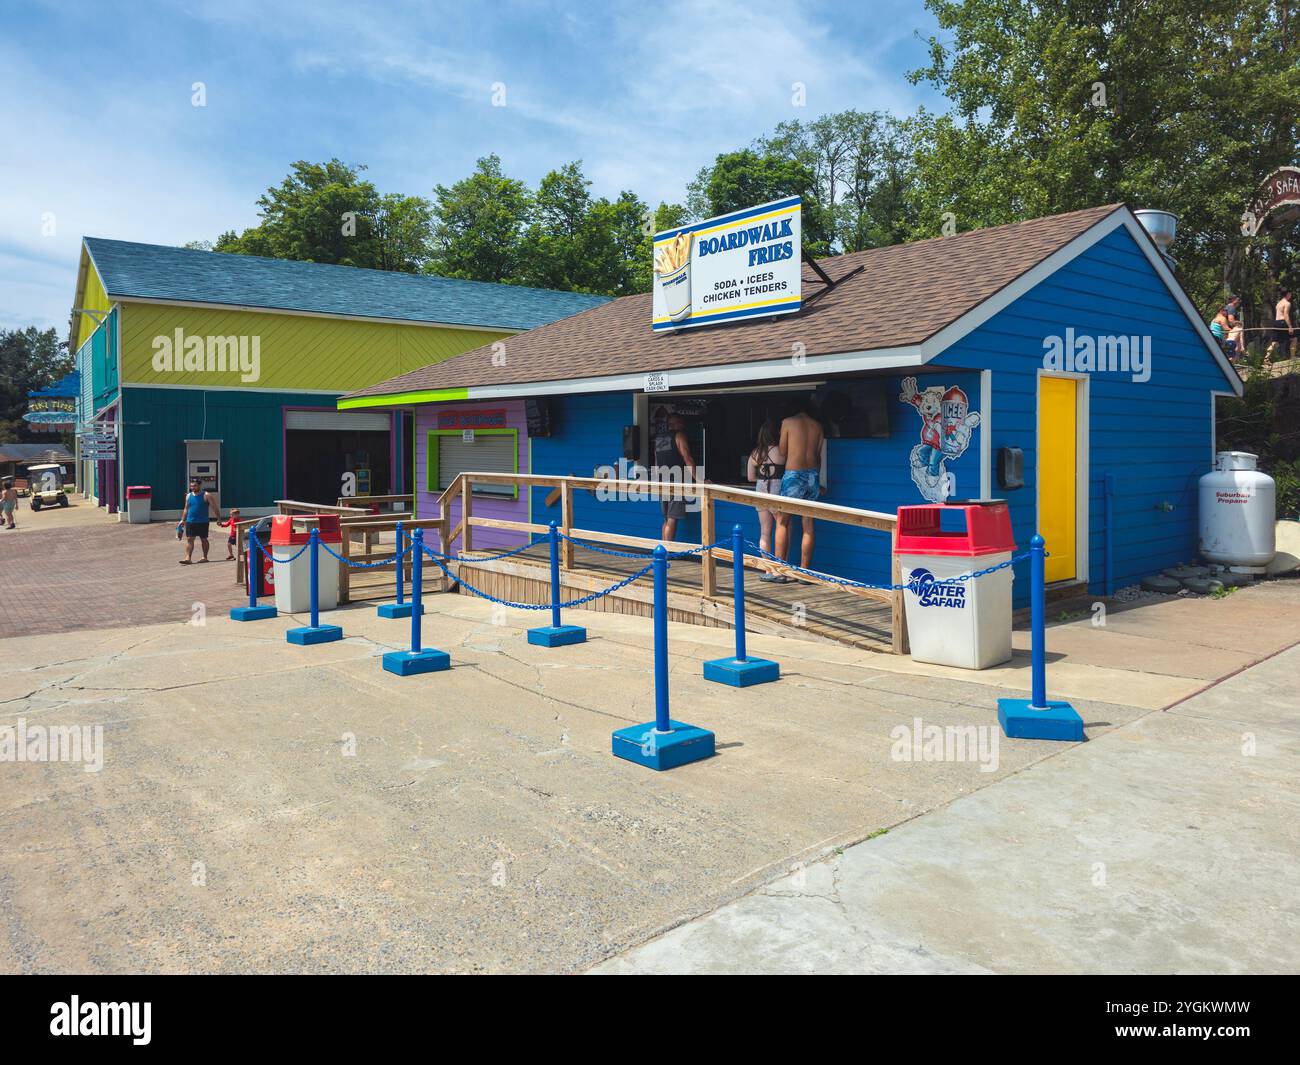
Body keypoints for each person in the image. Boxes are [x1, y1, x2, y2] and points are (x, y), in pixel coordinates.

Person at [767, 398, 826, 581]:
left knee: (782, 521)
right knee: (808, 524)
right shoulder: (818, 426)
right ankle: (804, 572)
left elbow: (783, 451)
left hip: (794, 474)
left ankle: (779, 571)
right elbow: (818, 457)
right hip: (812, 476)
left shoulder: (788, 422)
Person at [651, 408, 698, 542]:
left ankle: (663, 551)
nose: (683, 426)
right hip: (675, 482)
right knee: (672, 519)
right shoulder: (679, 436)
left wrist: (655, 481)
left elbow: (655, 462)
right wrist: (699, 480)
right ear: (676, 424)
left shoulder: (659, 439)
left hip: (662, 482)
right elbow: (687, 458)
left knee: (666, 518)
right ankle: (667, 552)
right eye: (681, 423)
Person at [746, 420, 784, 556]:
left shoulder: (755, 453)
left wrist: (762, 479)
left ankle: (767, 568)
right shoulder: (781, 450)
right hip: (777, 490)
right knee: (782, 528)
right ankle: (780, 566)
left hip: (761, 490)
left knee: (764, 532)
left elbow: (750, 478)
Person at [177, 477, 218, 564]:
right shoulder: (188, 496)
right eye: (191, 486)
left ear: (200, 485)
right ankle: (188, 558)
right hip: (190, 521)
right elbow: (186, 509)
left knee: (204, 539)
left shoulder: (206, 495)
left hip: (203, 522)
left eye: (194, 486)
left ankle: (205, 557)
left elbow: (214, 507)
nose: (193, 488)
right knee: (190, 539)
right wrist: (182, 520)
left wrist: (219, 519)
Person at [1274, 290, 1293, 357]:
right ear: (1287, 294)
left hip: (1276, 322)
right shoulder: (1287, 303)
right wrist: (1290, 326)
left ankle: (1268, 357)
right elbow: (1286, 315)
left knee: (1275, 341)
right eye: (1290, 294)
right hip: (1282, 322)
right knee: (1287, 339)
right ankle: (1284, 356)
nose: (1291, 295)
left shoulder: (1278, 303)